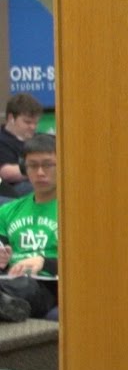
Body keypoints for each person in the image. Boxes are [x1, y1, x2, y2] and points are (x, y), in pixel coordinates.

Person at [0, 133, 58, 321]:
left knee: (27, 285)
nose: (40, 172)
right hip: (10, 279)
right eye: (33, 165)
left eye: (48, 165)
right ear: (25, 169)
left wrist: (43, 262)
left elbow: (86, 260)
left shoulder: (74, 210)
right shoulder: (8, 210)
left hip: (48, 284)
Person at [0, 93, 42, 197]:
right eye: (27, 122)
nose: (32, 127)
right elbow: (7, 173)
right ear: (11, 118)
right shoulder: (2, 140)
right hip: (9, 190)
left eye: (35, 123)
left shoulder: (41, 139)